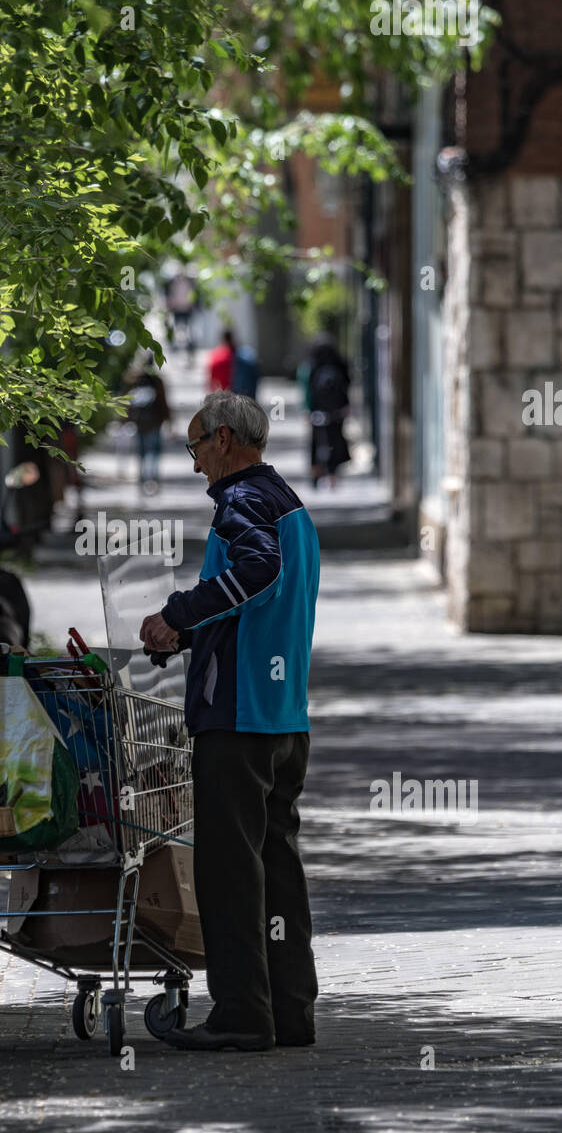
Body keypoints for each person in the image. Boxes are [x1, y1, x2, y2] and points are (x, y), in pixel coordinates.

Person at [139, 391, 320, 1051]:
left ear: (222, 439)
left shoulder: (243, 501)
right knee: (276, 865)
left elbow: (257, 570)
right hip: (283, 718)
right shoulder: (287, 503)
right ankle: (290, 1009)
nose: (193, 466)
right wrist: (186, 638)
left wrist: (178, 613)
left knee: (228, 869)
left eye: (194, 448)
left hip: (239, 718)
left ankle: (243, 1011)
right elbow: (256, 607)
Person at [302, 335, 351, 488]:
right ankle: (332, 476)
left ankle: (315, 474)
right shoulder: (340, 363)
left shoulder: (312, 364)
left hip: (318, 411)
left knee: (316, 441)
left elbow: (307, 390)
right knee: (335, 440)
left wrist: (308, 410)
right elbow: (347, 384)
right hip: (337, 411)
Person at [126, 357, 170, 493]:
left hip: (139, 422)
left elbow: (127, 400)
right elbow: (163, 401)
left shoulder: (134, 379)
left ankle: (142, 478)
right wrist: (167, 419)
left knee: (142, 452)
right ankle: (153, 478)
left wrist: (126, 419)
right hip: (155, 422)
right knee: (154, 452)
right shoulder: (157, 380)